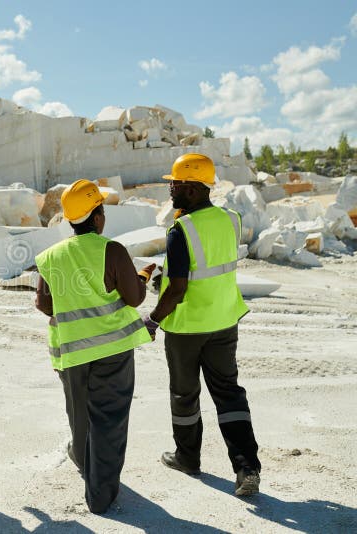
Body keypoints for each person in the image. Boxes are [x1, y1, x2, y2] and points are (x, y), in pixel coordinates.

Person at [144, 152, 261, 496]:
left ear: (194, 189)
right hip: (224, 320)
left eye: (176, 184)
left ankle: (187, 458)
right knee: (229, 393)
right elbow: (210, 263)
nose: (171, 190)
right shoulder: (231, 219)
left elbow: (179, 289)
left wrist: (153, 318)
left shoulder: (181, 229)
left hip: (187, 329)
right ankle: (247, 468)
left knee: (184, 395)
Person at [34, 179, 154, 514]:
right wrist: (141, 278)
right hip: (111, 350)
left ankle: (83, 460)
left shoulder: (51, 257)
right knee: (109, 418)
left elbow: (44, 304)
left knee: (79, 411)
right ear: (97, 217)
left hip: (71, 351)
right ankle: (99, 494)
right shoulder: (111, 250)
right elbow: (134, 298)